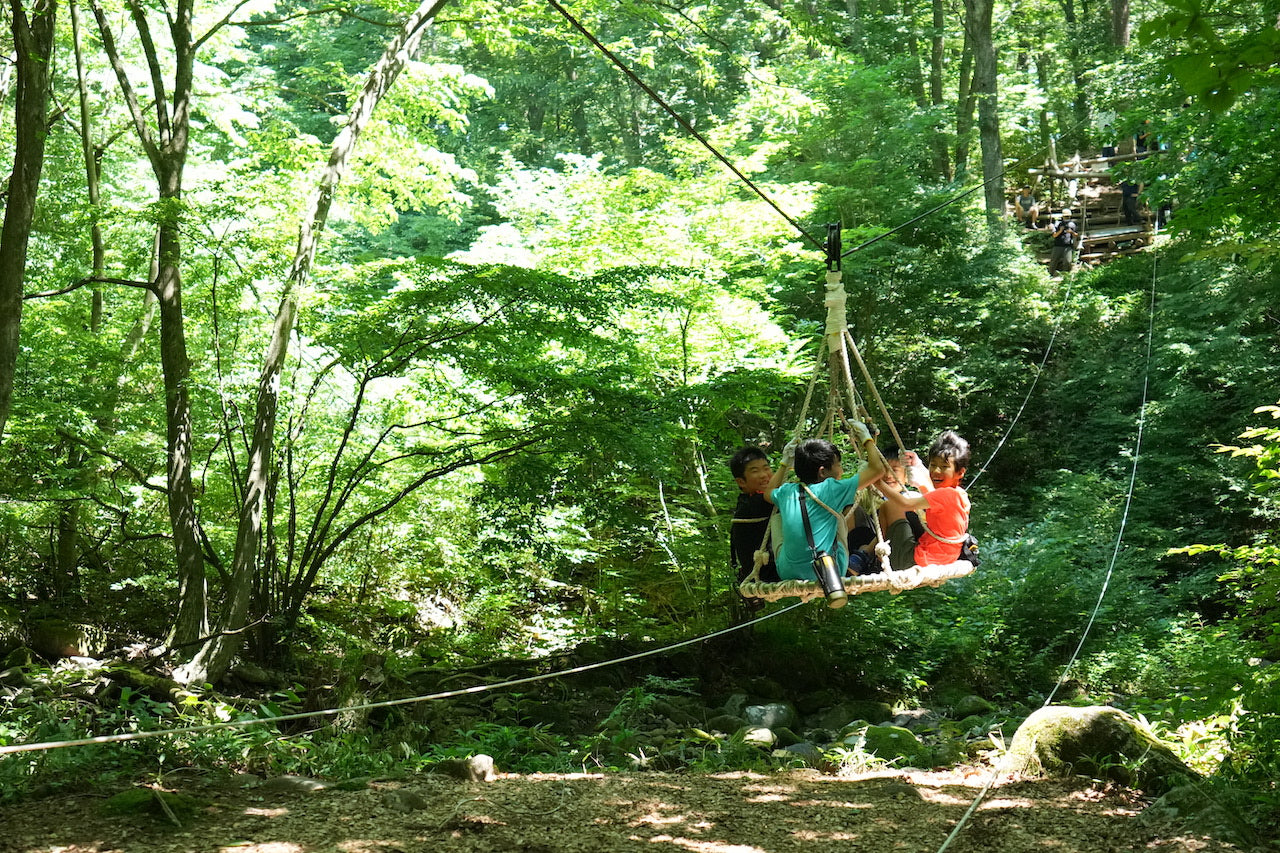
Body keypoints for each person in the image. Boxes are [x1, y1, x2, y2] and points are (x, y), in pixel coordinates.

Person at [764, 425, 884, 607]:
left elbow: (768, 493)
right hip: (830, 570)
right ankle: (854, 562)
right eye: (838, 465)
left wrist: (784, 463)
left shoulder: (787, 491)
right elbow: (877, 470)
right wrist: (867, 439)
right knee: (838, 517)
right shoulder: (832, 489)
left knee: (777, 518)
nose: (841, 471)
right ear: (823, 471)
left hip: (787, 572)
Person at [876, 431, 972, 571]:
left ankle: (880, 558)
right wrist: (917, 465)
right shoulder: (960, 494)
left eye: (944, 467)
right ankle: (881, 554)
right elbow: (930, 492)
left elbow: (905, 503)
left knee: (890, 505)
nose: (936, 471)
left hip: (919, 561)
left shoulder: (945, 494)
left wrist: (876, 481)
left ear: (960, 472)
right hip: (944, 558)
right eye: (933, 465)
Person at [728, 446, 780, 586]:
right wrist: (785, 464)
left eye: (766, 468)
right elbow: (773, 494)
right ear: (741, 482)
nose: (764, 475)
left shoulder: (758, 502)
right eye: (755, 471)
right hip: (769, 574)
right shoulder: (750, 506)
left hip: (776, 569)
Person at [1048, 211, 1078, 276]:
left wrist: (1071, 232)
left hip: (1068, 246)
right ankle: (1050, 274)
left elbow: (1076, 235)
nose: (1067, 218)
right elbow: (1054, 235)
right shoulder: (1058, 224)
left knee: (1067, 262)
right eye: (1066, 216)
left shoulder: (1072, 224)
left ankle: (1065, 276)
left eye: (1068, 216)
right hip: (1058, 245)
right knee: (1054, 261)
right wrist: (1060, 231)